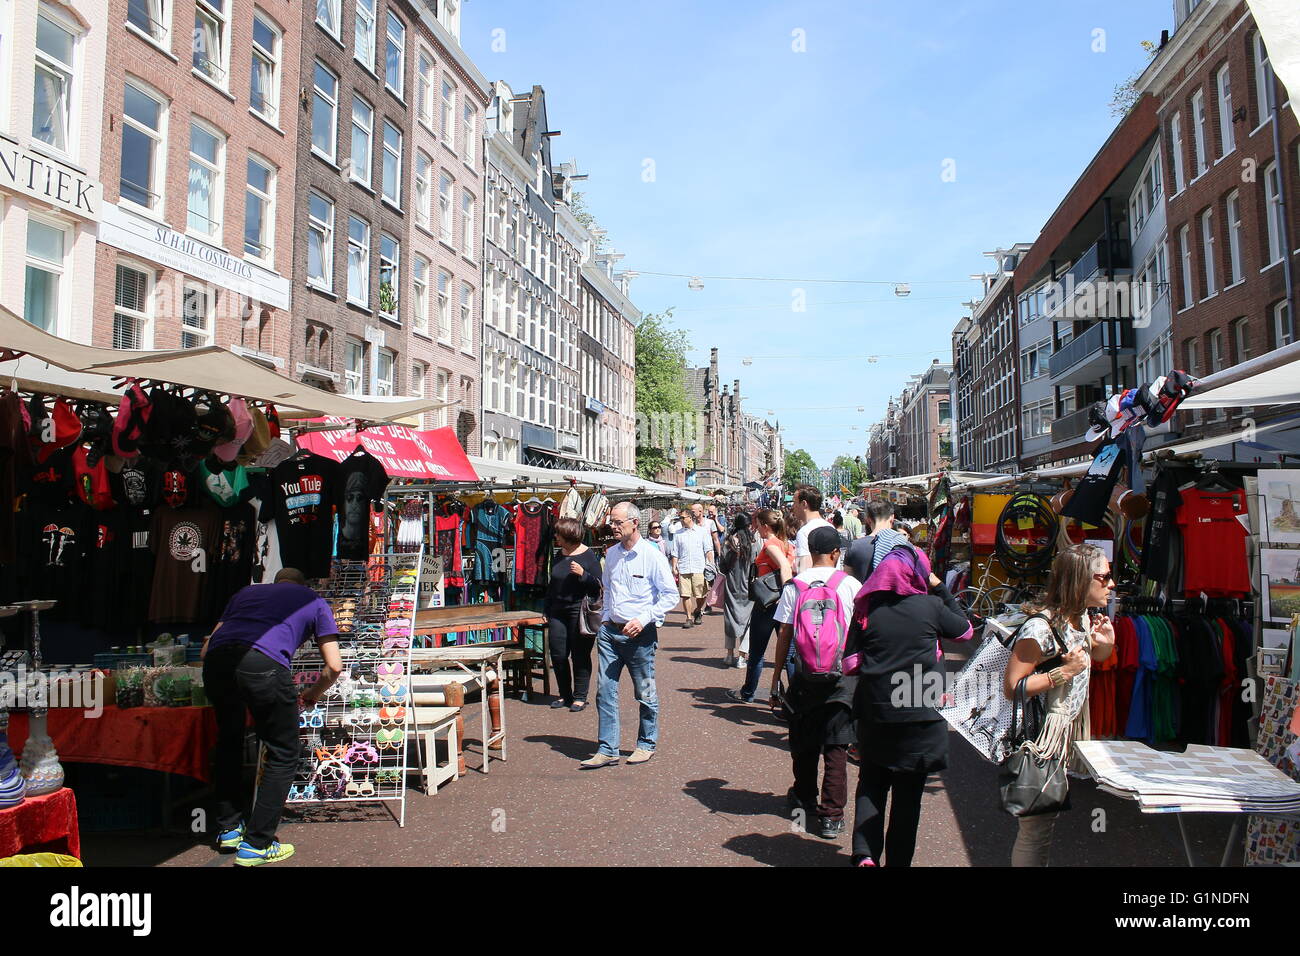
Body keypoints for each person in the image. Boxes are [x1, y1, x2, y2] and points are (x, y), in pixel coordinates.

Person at [201, 567, 342, 866]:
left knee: (229, 741)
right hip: (263, 664)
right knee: (283, 752)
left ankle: (228, 829)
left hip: (217, 663)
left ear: (276, 582)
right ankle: (257, 844)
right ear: (302, 584)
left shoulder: (245, 594)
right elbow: (334, 666)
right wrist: (312, 694)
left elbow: (205, 649)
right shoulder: (312, 600)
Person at [844, 545, 973, 867]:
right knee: (908, 795)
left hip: (876, 709)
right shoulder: (930, 606)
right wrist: (938, 586)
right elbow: (965, 629)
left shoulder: (867, 609)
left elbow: (849, 663)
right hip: (921, 713)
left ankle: (865, 856)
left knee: (871, 783)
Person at [1003, 543, 1116, 866]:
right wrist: (1061, 673)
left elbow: (1088, 660)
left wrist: (1104, 646)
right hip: (1041, 739)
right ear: (1081, 579)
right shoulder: (1040, 627)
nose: (1111, 584)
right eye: (1104, 577)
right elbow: (1013, 687)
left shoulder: (1080, 618)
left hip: (1064, 732)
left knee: (1044, 825)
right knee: (1036, 828)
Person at [768, 527, 860, 839]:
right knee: (835, 746)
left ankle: (804, 796)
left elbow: (784, 634)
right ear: (837, 553)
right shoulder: (850, 586)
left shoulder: (795, 585)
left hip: (804, 675)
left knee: (804, 741)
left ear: (810, 549)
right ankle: (832, 816)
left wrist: (775, 677)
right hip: (841, 678)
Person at [581, 502, 680, 769]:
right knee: (604, 691)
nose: (612, 527)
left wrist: (645, 618)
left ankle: (646, 744)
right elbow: (608, 589)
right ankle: (608, 748)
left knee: (645, 692)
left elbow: (671, 595)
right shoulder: (611, 554)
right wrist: (605, 619)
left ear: (635, 523)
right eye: (611, 522)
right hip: (610, 633)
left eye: (617, 522)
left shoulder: (652, 555)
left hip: (640, 636)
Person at [729, 508, 794, 702]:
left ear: (765, 526)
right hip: (781, 604)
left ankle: (748, 693)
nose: (755, 528)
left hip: (768, 604)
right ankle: (795, 696)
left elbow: (784, 566)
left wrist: (786, 592)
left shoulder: (771, 544)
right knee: (788, 652)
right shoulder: (786, 544)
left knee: (757, 652)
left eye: (757, 524)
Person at [545, 516, 602, 712]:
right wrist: (547, 608)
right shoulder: (559, 554)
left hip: (579, 612)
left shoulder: (587, 556)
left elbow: (599, 586)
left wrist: (583, 575)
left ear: (568, 536)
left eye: (558, 534)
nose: (555, 537)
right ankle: (564, 694)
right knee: (558, 655)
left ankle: (580, 696)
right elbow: (552, 584)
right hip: (557, 611)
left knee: (579, 656)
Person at [720, 512, 759, 669]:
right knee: (748, 621)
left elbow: (722, 564)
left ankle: (729, 655)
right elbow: (756, 562)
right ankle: (742, 657)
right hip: (748, 585)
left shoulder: (728, 542)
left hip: (731, 584)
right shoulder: (752, 542)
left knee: (729, 619)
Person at [844, 499, 910, 583]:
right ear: (892, 518)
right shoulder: (903, 544)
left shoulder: (854, 546)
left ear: (868, 520)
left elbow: (848, 581)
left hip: (863, 594)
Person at [671, 508, 713, 628]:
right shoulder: (678, 534)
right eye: (680, 518)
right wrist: (674, 567)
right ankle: (688, 618)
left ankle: (698, 610)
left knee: (701, 595)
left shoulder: (702, 531)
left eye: (682, 517)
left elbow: (708, 549)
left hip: (699, 567)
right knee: (685, 595)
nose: (681, 520)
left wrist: (711, 565)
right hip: (684, 567)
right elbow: (675, 552)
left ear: (690, 517)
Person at [791, 484, 831, 573]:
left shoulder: (804, 532)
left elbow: (803, 570)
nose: (792, 507)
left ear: (804, 504)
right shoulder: (830, 527)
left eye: (794, 502)